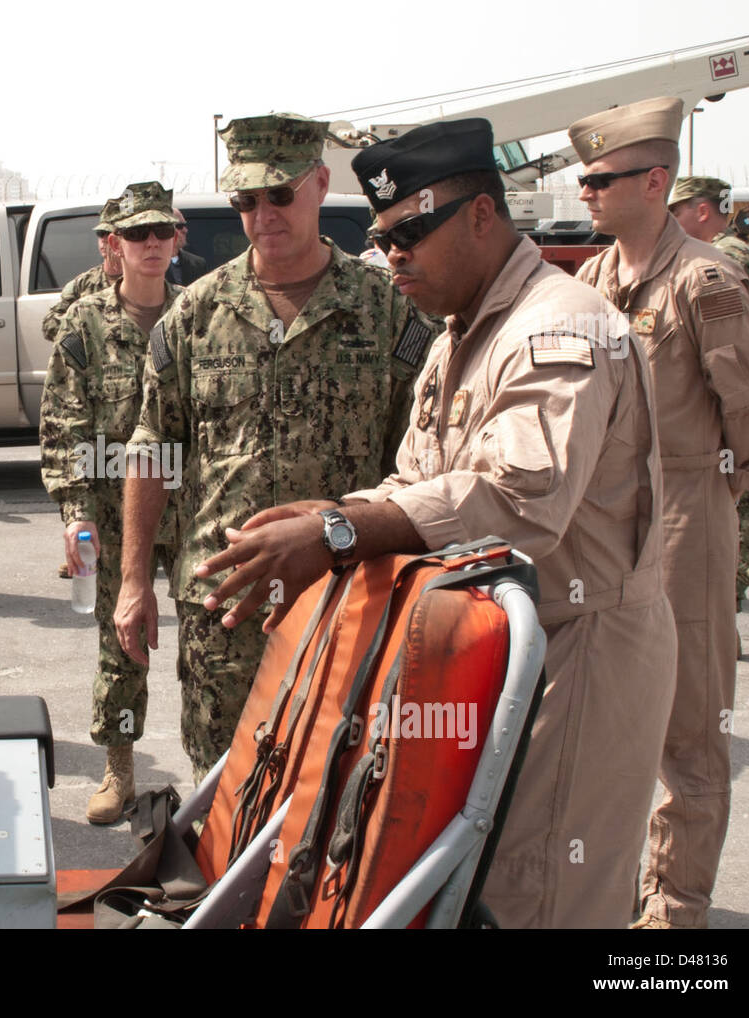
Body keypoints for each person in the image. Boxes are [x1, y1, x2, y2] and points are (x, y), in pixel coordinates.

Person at [189, 117, 676, 929]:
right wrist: (332, 518)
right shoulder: (464, 332)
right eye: (384, 238)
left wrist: (342, 532)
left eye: (412, 230)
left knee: (540, 894)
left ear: (482, 214)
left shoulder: (558, 327)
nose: (393, 256)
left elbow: (522, 497)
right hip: (489, 649)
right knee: (469, 887)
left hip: (579, 650)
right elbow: (418, 482)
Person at [114, 113, 433, 779]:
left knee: (347, 785)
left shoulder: (388, 311)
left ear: (319, 183)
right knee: (226, 784)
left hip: (351, 593)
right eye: (246, 201)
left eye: (280, 194)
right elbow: (152, 450)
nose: (263, 215)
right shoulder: (194, 315)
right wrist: (133, 581)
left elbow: (424, 460)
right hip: (228, 603)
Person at [569, 97, 749, 928]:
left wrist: (717, 489)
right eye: (581, 178)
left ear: (653, 182)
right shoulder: (591, 281)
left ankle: (675, 907)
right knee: (610, 721)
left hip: (687, 511)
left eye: (599, 178)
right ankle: (614, 885)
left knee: (690, 726)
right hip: (605, 517)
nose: (585, 191)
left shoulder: (707, 279)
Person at [41, 182, 183, 823]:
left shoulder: (197, 314)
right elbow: (64, 424)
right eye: (137, 235)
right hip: (111, 506)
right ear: (115, 245)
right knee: (120, 641)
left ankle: (220, 773)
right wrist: (74, 514)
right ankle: (119, 769)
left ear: (177, 240)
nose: (150, 245)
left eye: (161, 233)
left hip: (192, 506)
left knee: (212, 641)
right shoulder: (85, 324)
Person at [669, 176, 749, 687]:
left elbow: (729, 359)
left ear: (703, 211)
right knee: (732, 530)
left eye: (679, 209)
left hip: (743, 417)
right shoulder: (741, 253)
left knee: (747, 528)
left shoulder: (721, 258)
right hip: (748, 410)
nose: (672, 220)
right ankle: (725, 632)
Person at [40, 199, 123, 342]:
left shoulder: (139, 282)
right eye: (100, 234)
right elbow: (49, 325)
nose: (103, 239)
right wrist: (85, 324)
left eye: (108, 233)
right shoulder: (83, 284)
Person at [166, 209, 207, 286]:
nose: (185, 230)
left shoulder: (198, 264)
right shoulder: (151, 264)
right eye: (180, 226)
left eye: (185, 225)